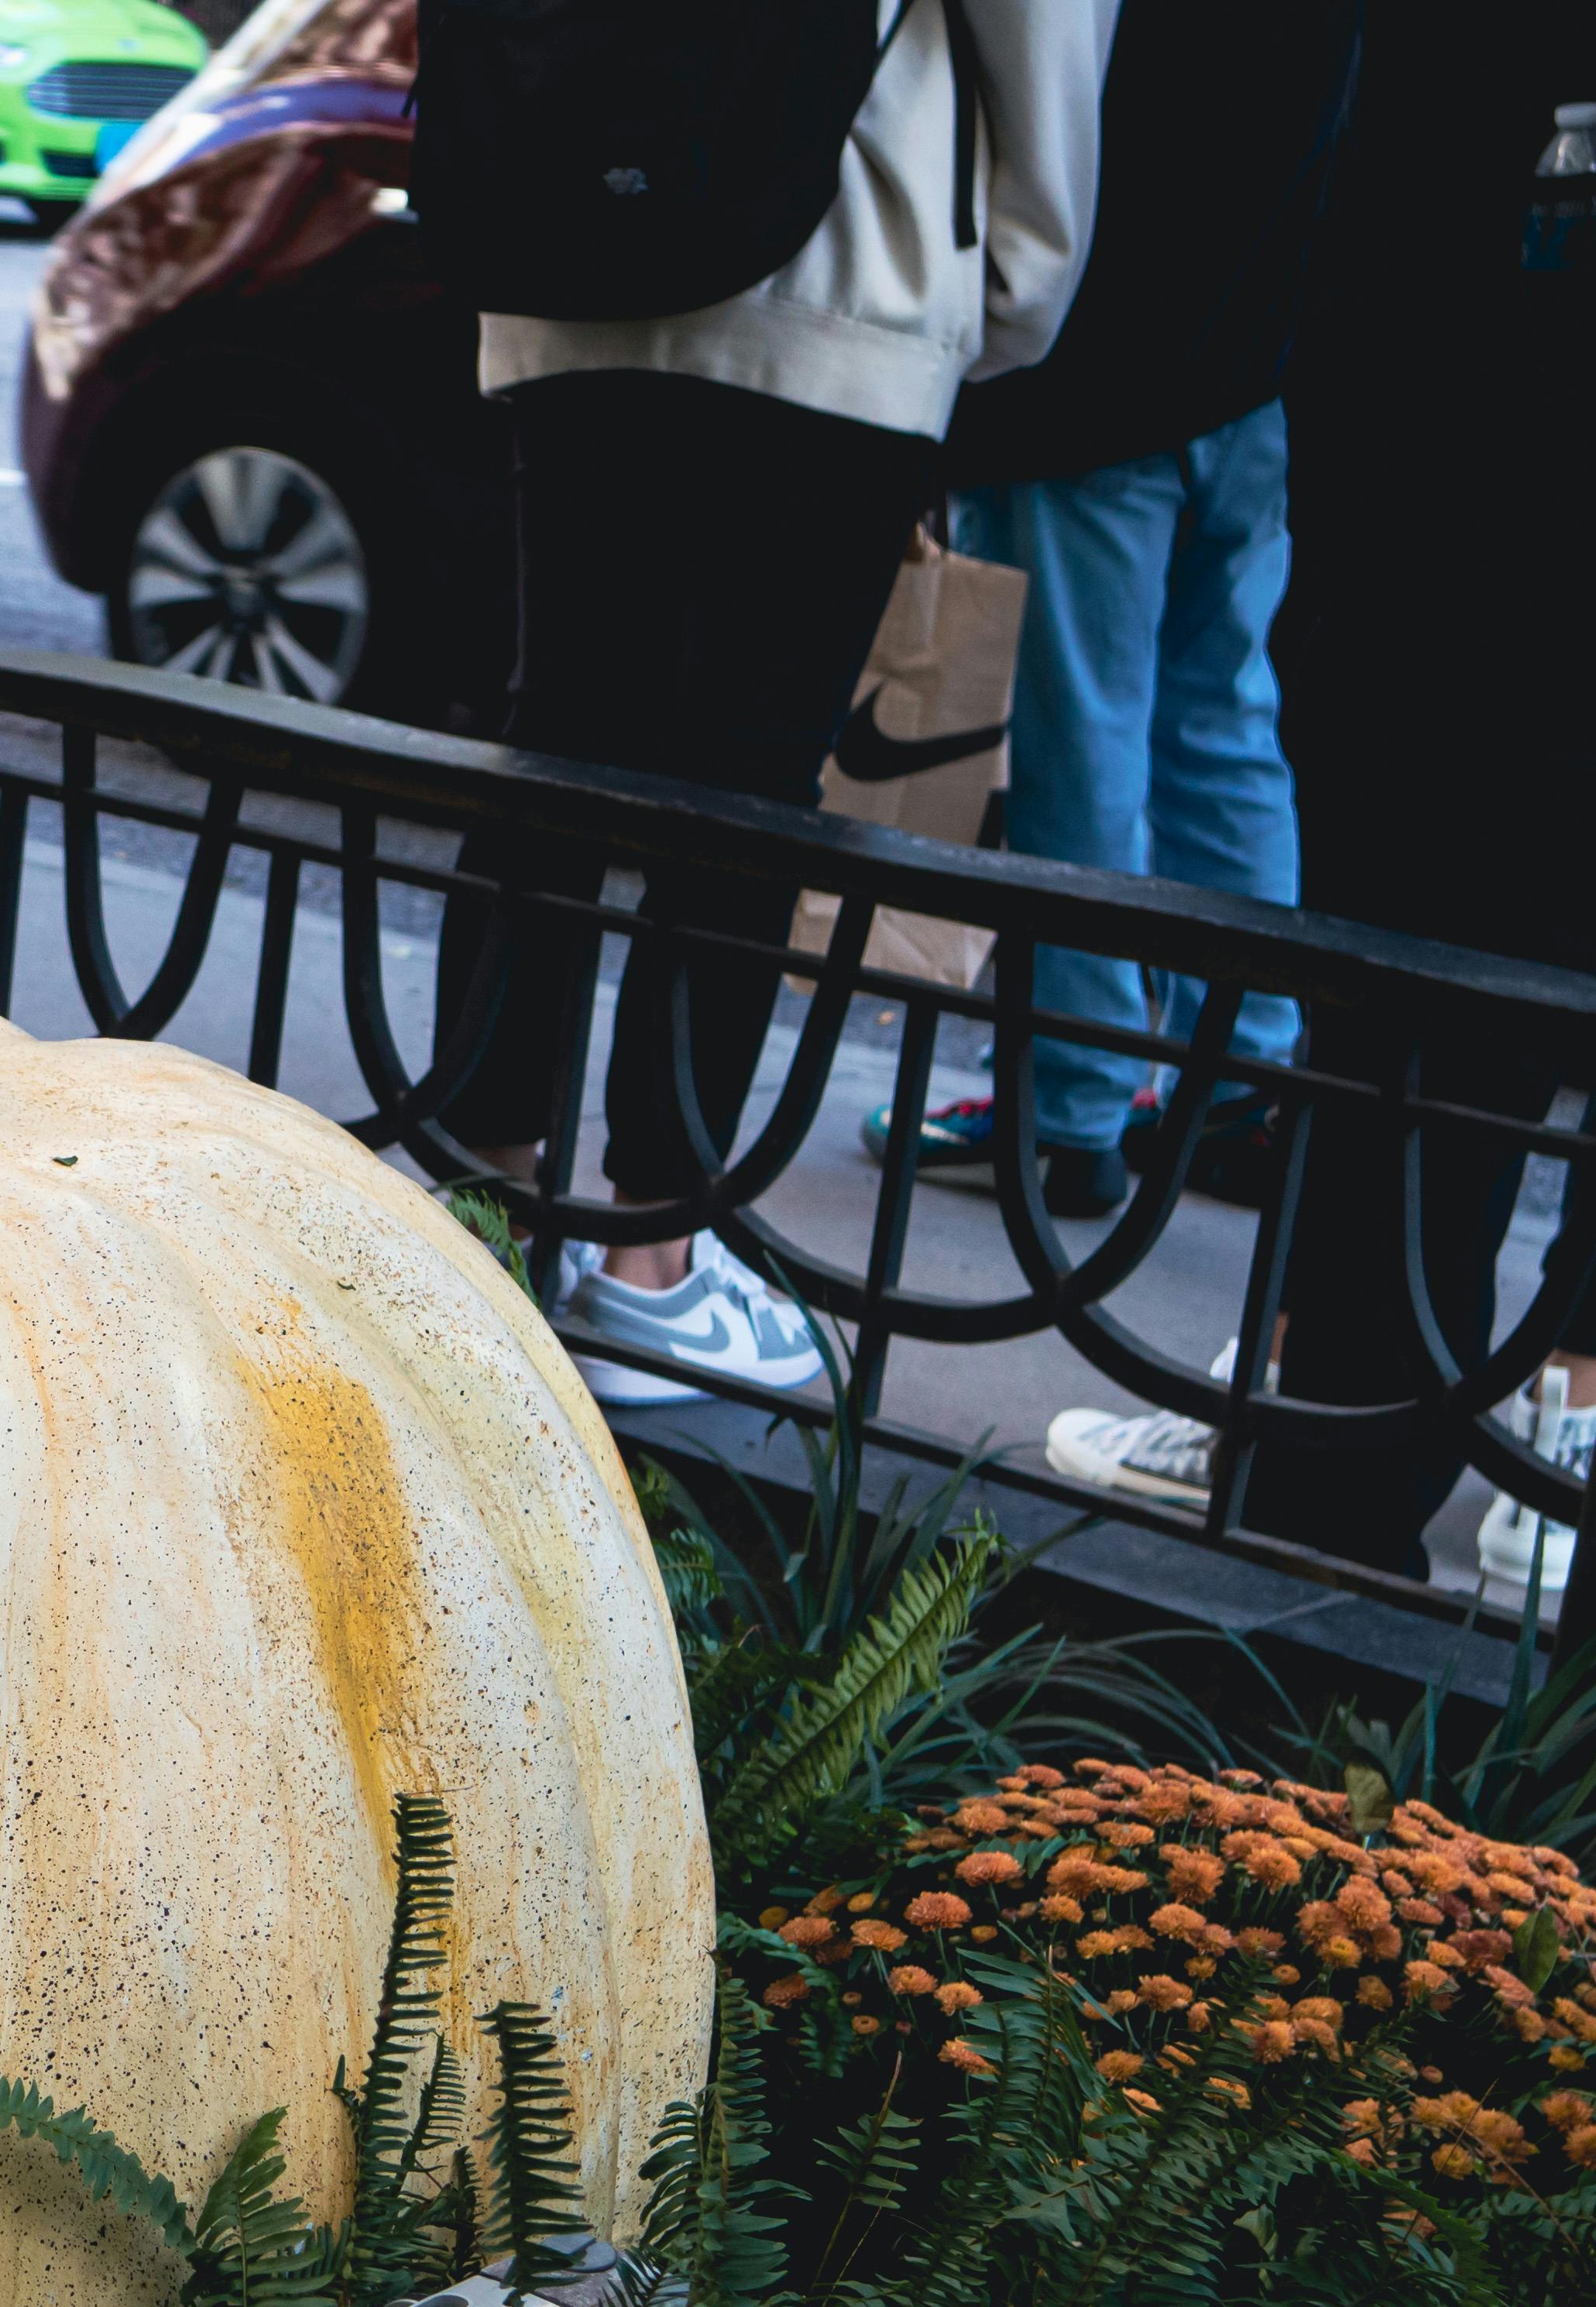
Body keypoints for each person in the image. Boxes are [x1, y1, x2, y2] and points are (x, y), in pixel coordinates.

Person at [1052, 0, 1596, 1596]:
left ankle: (1495, 1435)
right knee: (1466, 989)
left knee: (1545, 988)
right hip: (1483, 432)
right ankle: (1391, 1429)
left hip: (1549, 434)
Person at [431, 0, 1122, 1405]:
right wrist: (1014, 284)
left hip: (570, 246)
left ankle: (478, 1215)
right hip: (842, 262)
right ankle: (653, 1263)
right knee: (744, 783)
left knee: (555, 734)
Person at [872, 0, 1363, 1224]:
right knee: (1225, 722)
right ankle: (1240, 1079)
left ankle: (1070, 1110)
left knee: (1073, 749)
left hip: (1089, 379)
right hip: (1256, 369)